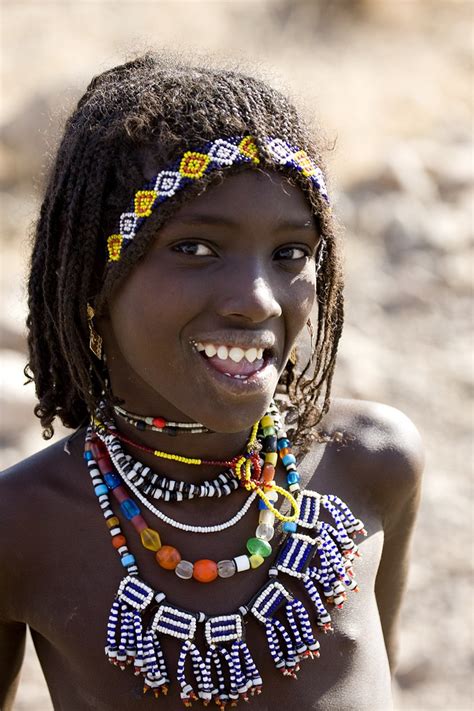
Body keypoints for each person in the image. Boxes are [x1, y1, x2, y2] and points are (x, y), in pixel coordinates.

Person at [0, 53, 423, 711]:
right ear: (92, 282)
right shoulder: (22, 526)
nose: (256, 300)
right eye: (196, 248)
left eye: (290, 253)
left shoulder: (373, 464)